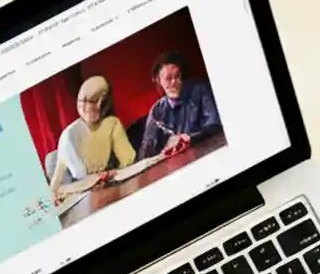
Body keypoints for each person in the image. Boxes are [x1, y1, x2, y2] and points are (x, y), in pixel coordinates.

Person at [48, 76, 136, 219]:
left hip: (114, 194)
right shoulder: (69, 136)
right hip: (85, 204)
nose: (92, 107)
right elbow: (56, 188)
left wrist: (114, 173)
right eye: (86, 100)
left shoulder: (112, 124)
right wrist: (56, 195)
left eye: (98, 100)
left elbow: (129, 161)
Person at [138, 51, 222, 159]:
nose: (174, 82)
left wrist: (189, 138)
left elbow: (216, 125)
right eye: (168, 78)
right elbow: (146, 152)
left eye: (177, 76)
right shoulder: (156, 110)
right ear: (159, 81)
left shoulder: (200, 91)